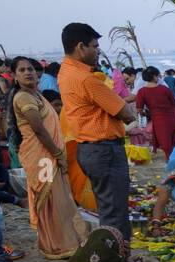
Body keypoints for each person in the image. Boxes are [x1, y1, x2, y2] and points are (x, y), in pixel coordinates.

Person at [58, 23, 136, 242]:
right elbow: (127, 113)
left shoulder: (66, 72)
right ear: (81, 47)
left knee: (108, 207)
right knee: (116, 212)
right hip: (104, 150)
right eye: (95, 46)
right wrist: (120, 104)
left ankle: (111, 254)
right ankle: (115, 259)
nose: (98, 51)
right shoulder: (87, 79)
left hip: (90, 149)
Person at [8, 56, 89, 259]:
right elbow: (39, 129)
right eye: (22, 70)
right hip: (41, 157)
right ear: (15, 76)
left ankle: (67, 240)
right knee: (50, 200)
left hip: (46, 154)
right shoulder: (23, 97)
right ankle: (55, 246)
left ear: (37, 74)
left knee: (60, 199)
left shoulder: (36, 94)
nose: (28, 72)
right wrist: (57, 153)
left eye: (31, 69)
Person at [129, 66, 175, 160]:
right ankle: (173, 157)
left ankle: (169, 159)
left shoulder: (142, 91)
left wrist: (147, 114)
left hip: (158, 118)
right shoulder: (164, 89)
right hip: (173, 117)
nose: (159, 78)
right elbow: (174, 104)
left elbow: (139, 109)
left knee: (165, 141)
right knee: (173, 139)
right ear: (154, 76)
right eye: (158, 76)